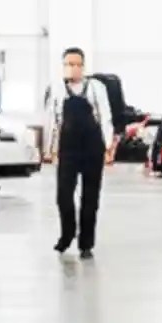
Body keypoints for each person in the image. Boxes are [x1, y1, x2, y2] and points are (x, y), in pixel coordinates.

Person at [44, 47, 116, 259]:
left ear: (83, 67)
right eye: (69, 64)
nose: (73, 68)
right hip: (68, 148)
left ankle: (86, 244)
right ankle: (66, 235)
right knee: (63, 196)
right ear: (63, 66)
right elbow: (52, 120)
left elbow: (105, 117)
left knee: (90, 198)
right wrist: (50, 149)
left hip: (92, 147)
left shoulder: (96, 88)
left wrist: (108, 146)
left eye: (77, 64)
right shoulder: (57, 89)